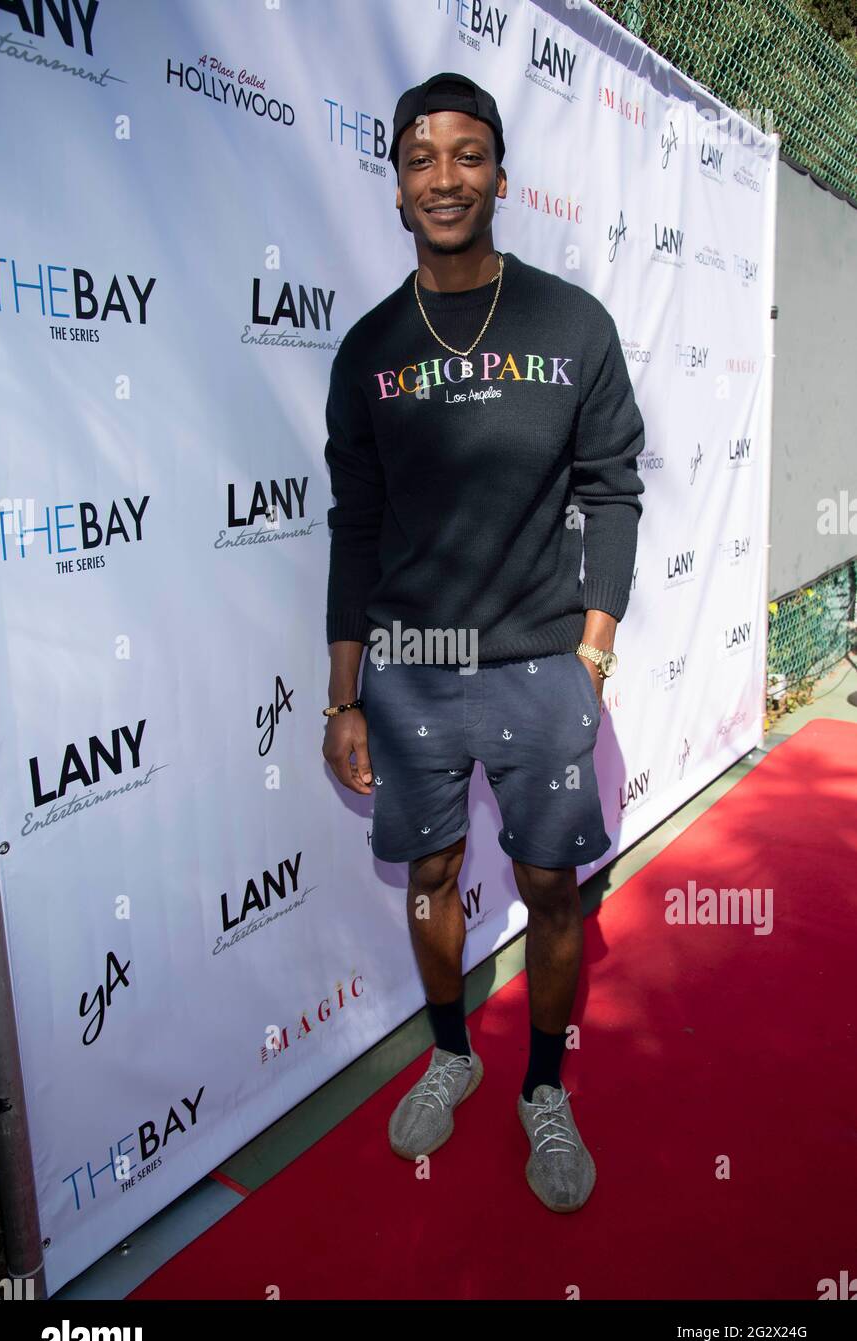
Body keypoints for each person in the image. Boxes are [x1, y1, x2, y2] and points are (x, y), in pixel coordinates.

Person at [321, 72, 645, 1213]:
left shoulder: (570, 324)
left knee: (552, 886)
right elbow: (353, 526)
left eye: (467, 156)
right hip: (409, 669)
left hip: (540, 663)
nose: (445, 177)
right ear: (398, 187)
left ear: (500, 176)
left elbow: (612, 490)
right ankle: (450, 1050)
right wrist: (342, 694)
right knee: (432, 874)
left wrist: (592, 654)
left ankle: (542, 1086)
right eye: (421, 159)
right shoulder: (367, 349)